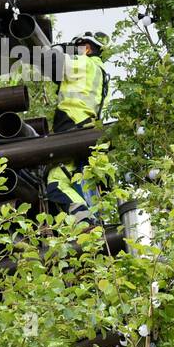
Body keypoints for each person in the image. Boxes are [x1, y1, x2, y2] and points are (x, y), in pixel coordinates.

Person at [45, 32, 110, 223]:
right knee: (79, 182)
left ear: (87, 48)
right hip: (87, 133)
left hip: (73, 129)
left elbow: (52, 60)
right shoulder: (101, 72)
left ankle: (85, 223)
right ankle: (90, 224)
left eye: (77, 49)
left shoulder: (84, 64)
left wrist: (59, 48)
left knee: (55, 184)